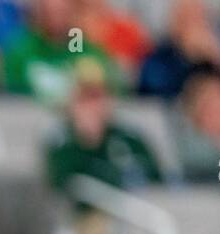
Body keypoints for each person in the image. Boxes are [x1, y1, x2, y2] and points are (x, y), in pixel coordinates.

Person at [45, 65, 162, 196]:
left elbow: (156, 182)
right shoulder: (60, 146)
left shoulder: (130, 140)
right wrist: (89, 137)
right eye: (86, 99)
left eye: (99, 97)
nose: (94, 107)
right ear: (70, 104)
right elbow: (64, 188)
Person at [0, 0, 121, 101]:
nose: (56, 19)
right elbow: (10, 91)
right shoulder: (22, 48)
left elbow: (110, 85)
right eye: (50, 13)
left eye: (62, 12)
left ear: (73, 13)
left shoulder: (81, 45)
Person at [139, 0, 220, 98]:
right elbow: (154, 89)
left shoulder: (213, 61)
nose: (193, 25)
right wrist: (186, 58)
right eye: (186, 18)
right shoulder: (159, 58)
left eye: (198, 17)